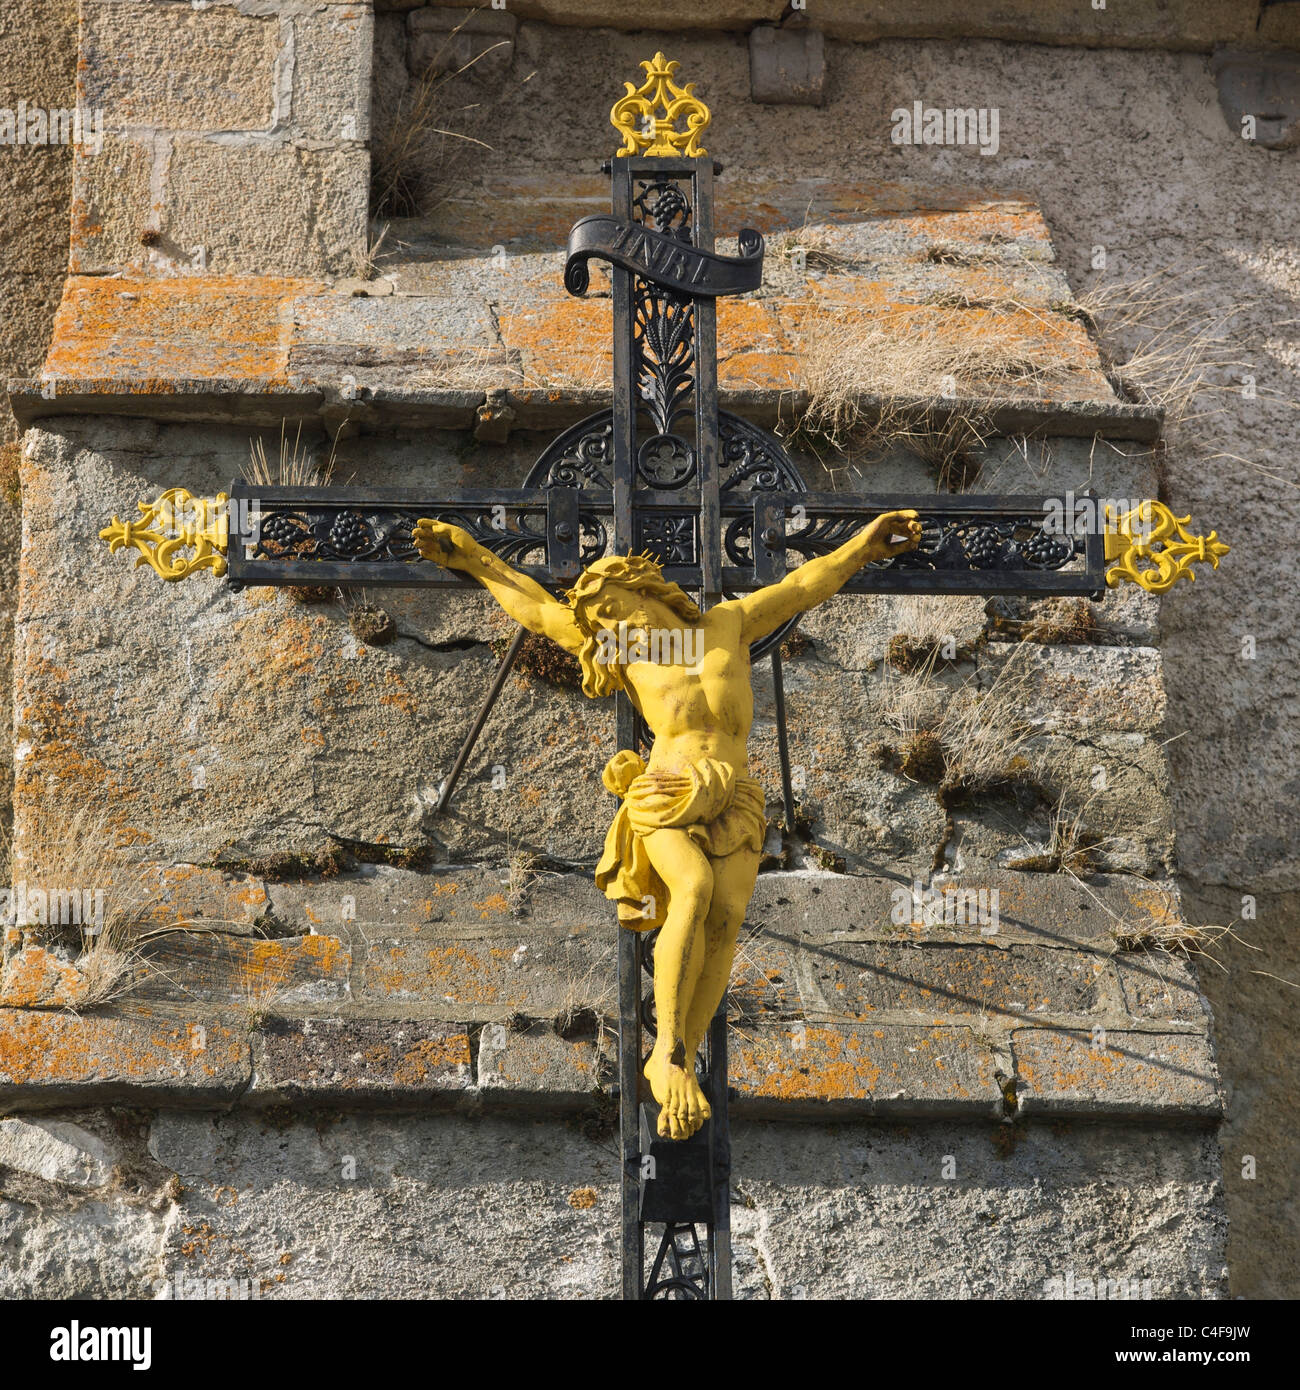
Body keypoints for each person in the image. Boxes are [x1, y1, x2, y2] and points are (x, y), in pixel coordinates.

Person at [413, 508, 923, 1139]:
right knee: (693, 891)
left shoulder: (725, 625)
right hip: (665, 788)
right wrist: (473, 557)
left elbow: (799, 587)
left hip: (734, 794)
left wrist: (862, 549)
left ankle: (686, 1049)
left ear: (640, 590)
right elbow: (542, 614)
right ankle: (669, 1054)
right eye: (602, 623)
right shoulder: (630, 653)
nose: (609, 627)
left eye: (612, 611)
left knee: (728, 917)